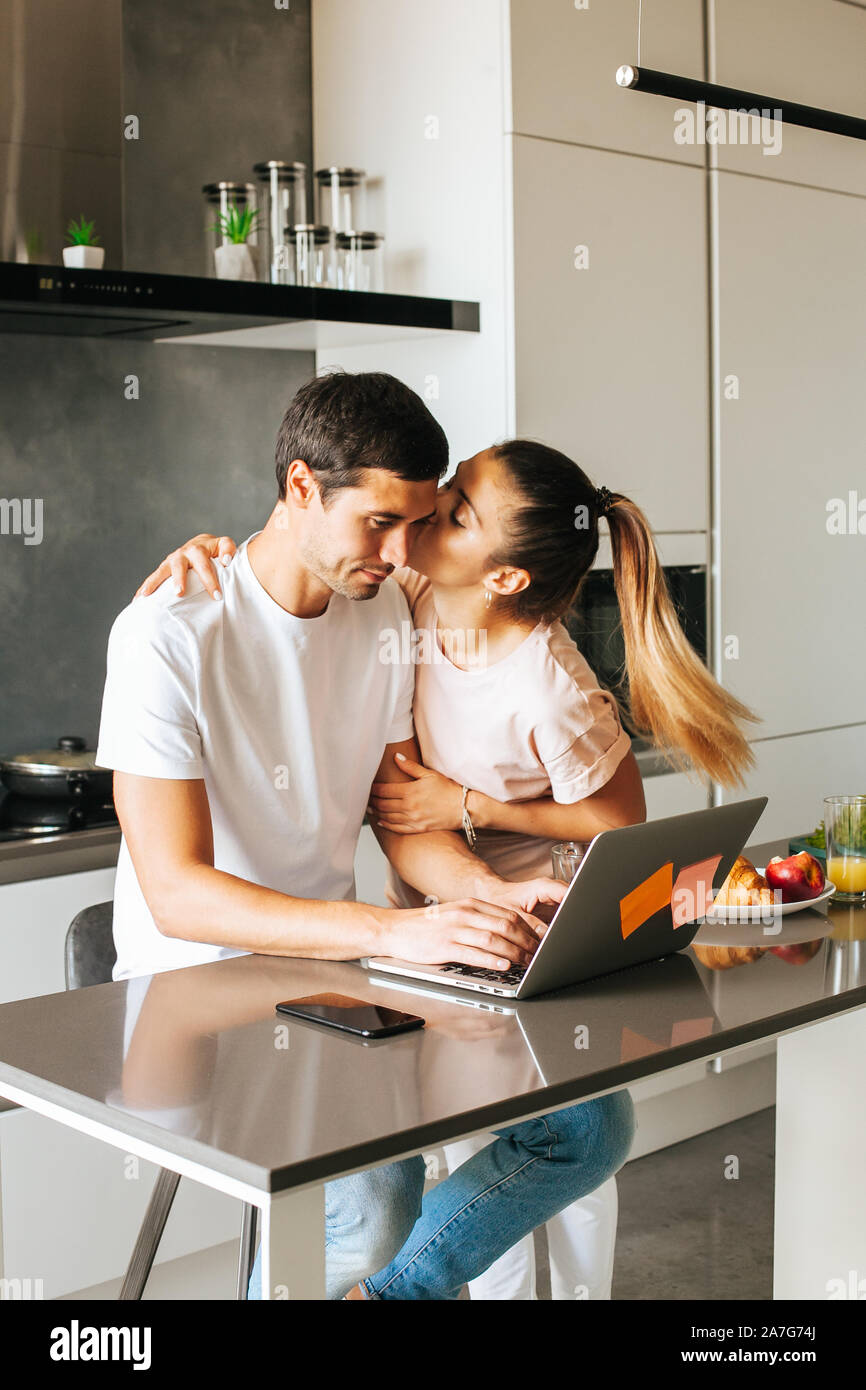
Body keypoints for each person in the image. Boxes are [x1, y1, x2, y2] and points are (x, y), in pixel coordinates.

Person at [139, 430, 759, 1301]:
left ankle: (389, 1294)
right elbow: (297, 547)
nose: (421, 524)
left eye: (451, 511)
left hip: (507, 932)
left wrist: (471, 818)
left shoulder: (541, 675)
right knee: (424, 1180)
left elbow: (616, 819)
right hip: (415, 938)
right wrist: (211, 551)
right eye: (439, 498)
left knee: (578, 1142)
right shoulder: (405, 593)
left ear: (503, 575)